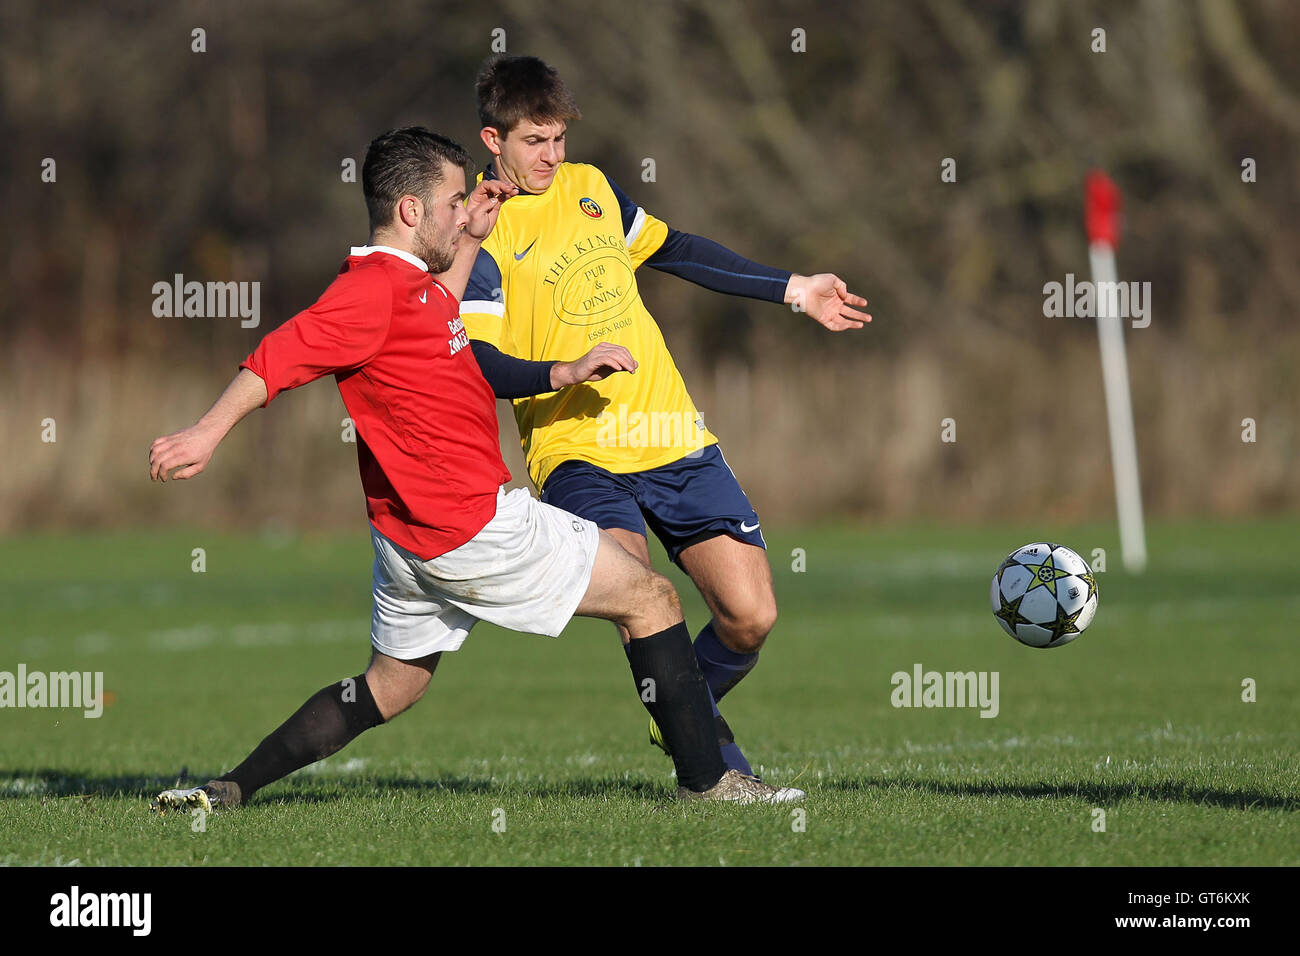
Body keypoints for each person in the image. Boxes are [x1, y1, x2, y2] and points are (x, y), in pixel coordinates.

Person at [148, 127, 803, 811]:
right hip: (472, 525)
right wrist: (205, 432)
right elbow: (276, 358)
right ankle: (709, 783)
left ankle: (229, 788)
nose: (467, 210)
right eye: (454, 202)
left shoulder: (414, 285)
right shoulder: (368, 293)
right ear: (409, 211)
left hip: (407, 542)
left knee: (389, 686)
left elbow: (441, 319)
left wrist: (472, 238)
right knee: (653, 600)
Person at [459, 56, 869, 778]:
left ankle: (684, 713)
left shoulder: (591, 189)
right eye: (535, 142)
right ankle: (715, 772)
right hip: (576, 450)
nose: (553, 157)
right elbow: (479, 364)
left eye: (559, 139)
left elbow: (675, 249)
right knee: (642, 598)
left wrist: (793, 288)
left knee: (751, 617)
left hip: (670, 432)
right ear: (494, 140)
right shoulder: (477, 236)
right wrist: (562, 372)